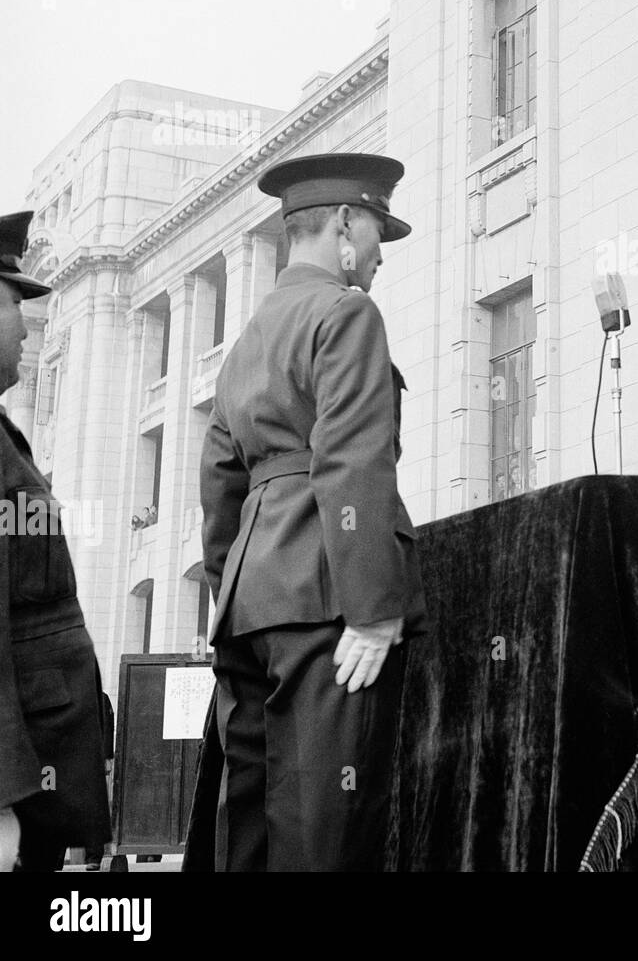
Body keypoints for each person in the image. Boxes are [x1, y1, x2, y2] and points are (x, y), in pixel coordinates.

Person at [200, 153, 427, 871]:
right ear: (344, 225)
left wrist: (231, 590)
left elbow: (219, 484)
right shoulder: (347, 312)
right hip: (327, 602)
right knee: (326, 834)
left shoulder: (245, 345)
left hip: (251, 609)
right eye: (378, 230)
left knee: (250, 832)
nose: (381, 256)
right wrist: (371, 607)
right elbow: (351, 461)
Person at [0, 211, 111, 872]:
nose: (25, 326)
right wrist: (4, 797)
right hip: (20, 788)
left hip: (43, 763)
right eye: (17, 302)